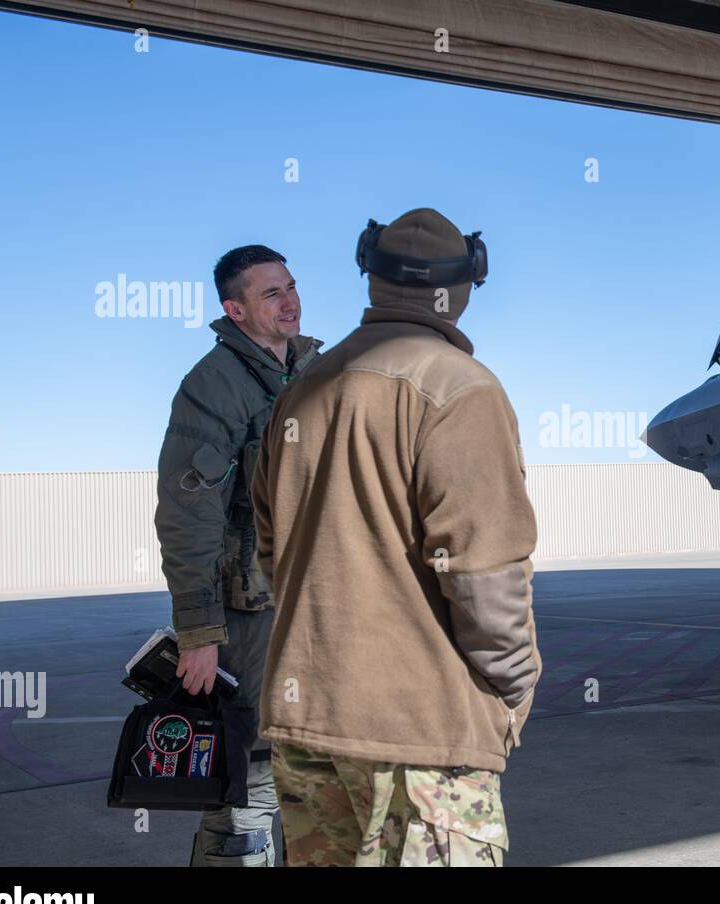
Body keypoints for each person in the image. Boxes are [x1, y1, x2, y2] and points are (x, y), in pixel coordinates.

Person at [251, 208, 540, 867]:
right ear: (466, 286)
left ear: (371, 280)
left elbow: (276, 555)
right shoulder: (462, 391)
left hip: (309, 729)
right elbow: (486, 582)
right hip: (422, 739)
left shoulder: (299, 396)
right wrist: (509, 699)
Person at [155, 245, 322, 866]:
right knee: (249, 791)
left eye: (291, 286)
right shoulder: (211, 387)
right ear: (235, 308)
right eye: (271, 293)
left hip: (324, 611)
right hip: (252, 618)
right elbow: (187, 515)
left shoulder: (320, 373)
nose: (290, 301)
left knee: (320, 778)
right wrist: (199, 630)